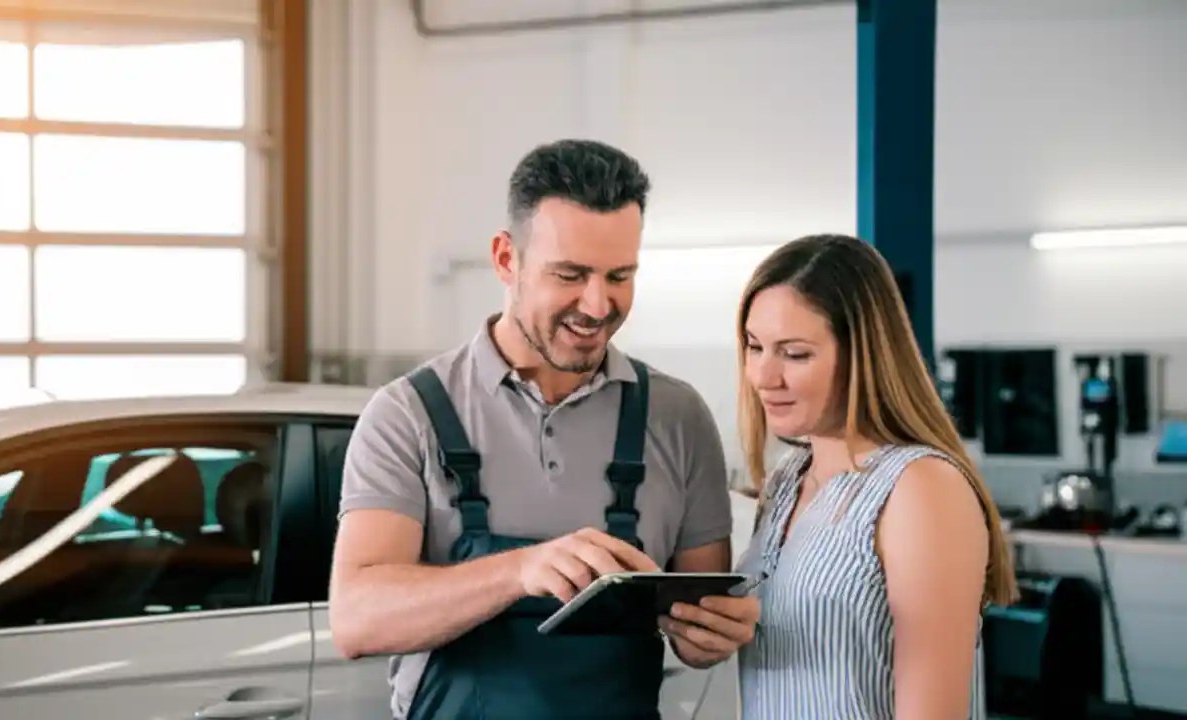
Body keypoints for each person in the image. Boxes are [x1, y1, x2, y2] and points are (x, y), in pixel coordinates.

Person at [328, 138, 761, 720]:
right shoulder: (408, 415)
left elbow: (697, 622)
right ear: (507, 259)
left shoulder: (677, 417)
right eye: (570, 274)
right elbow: (357, 620)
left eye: (620, 275)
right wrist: (519, 571)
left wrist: (711, 635)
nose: (597, 303)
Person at [732, 234, 1018, 720]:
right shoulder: (787, 480)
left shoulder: (920, 487)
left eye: (795, 354)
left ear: (864, 354)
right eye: (755, 347)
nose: (763, 375)